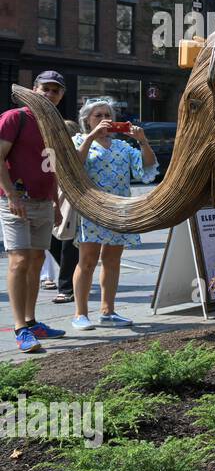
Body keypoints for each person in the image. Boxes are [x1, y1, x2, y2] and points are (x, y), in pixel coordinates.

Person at [70, 98, 157, 331]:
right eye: (98, 115)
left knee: (112, 261)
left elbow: (147, 169)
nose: (104, 119)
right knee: (87, 260)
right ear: (87, 120)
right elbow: (74, 166)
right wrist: (90, 137)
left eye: (108, 115)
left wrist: (143, 142)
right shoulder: (79, 140)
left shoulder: (122, 146)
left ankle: (107, 311)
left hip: (119, 208)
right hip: (92, 208)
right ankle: (80, 314)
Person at [0, 71, 70, 353]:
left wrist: (54, 202)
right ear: (34, 89)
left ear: (61, 95)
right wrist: (12, 195)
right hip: (15, 201)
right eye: (45, 88)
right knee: (19, 259)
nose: (50, 94)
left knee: (37, 259)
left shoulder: (55, 125)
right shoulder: (15, 118)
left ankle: (31, 321)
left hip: (43, 202)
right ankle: (20, 329)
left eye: (56, 90)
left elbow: (51, 166)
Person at [51, 120, 81, 304]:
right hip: (55, 198)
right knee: (51, 241)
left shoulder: (77, 150)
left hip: (72, 201)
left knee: (68, 243)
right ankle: (71, 275)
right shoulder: (52, 151)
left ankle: (66, 288)